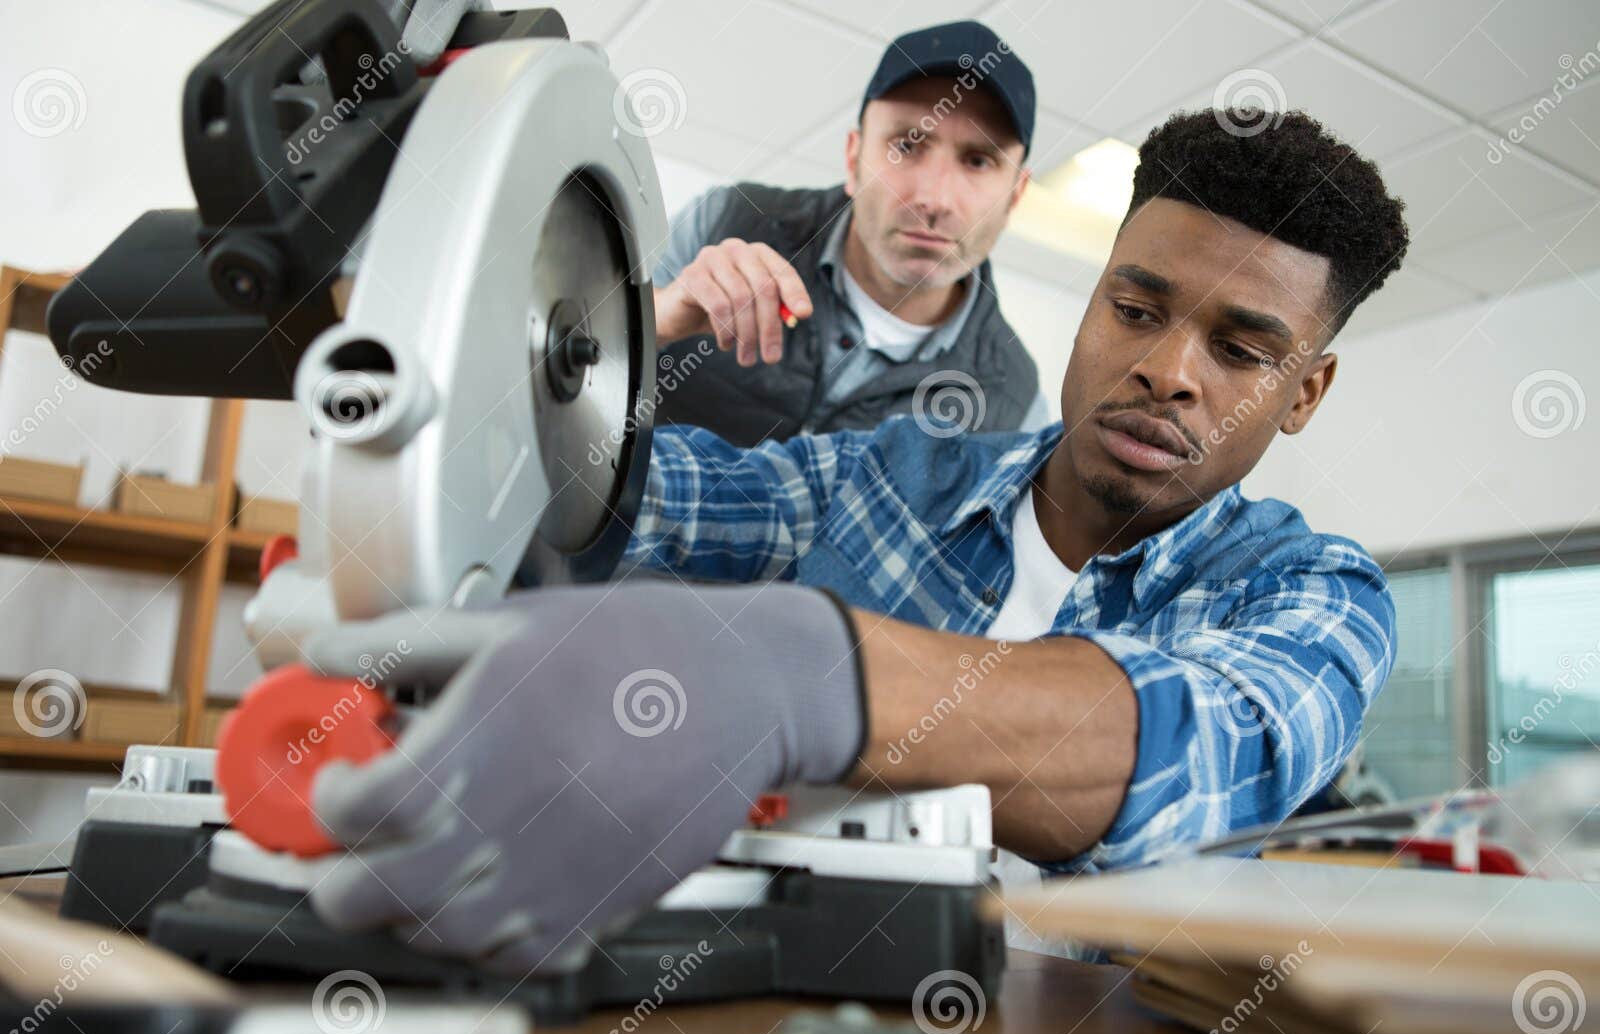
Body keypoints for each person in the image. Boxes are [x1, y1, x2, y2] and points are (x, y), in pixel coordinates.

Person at [301, 109, 1410, 975]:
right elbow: (597, 487)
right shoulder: (885, 474)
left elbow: (1213, 746)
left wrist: (801, 669)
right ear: (1090, 306)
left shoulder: (1315, 596)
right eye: (1135, 308)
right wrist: (622, 331)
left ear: (1303, 392)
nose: (1169, 369)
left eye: (1240, 347)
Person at [649, 20, 1044, 445]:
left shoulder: (1015, 407)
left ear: (1015, 195)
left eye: (979, 161)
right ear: (853, 158)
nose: (934, 199)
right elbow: (577, 355)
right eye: (907, 146)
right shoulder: (729, 219)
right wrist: (660, 320)